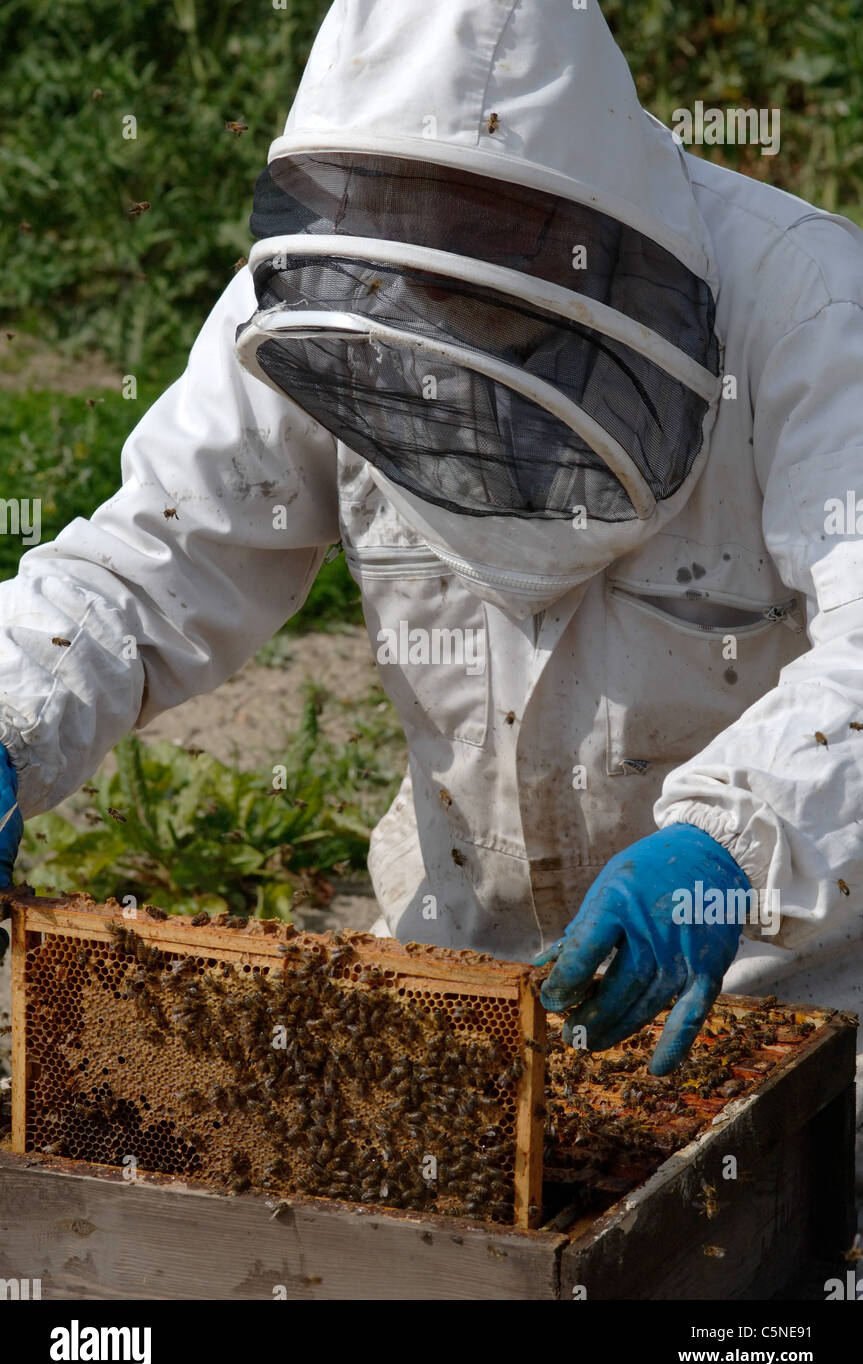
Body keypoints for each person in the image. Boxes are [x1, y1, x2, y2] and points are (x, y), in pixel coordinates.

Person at [1, 0, 861, 1182]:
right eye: (406, 211)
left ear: (579, 199)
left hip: (768, 988)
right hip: (458, 991)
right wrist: (12, 714)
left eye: (486, 224)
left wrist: (728, 848)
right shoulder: (323, 295)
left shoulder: (805, 306)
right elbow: (155, 557)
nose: (443, 259)